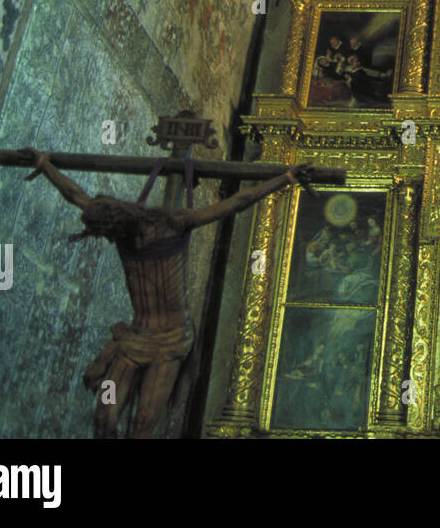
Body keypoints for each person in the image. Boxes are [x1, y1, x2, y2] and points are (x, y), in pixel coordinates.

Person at [18, 148, 309, 437]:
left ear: (121, 223)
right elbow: (74, 194)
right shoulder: (116, 225)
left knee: (144, 421)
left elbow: (237, 201)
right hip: (133, 341)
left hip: (170, 343)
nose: (109, 240)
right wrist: (45, 165)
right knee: (104, 414)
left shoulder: (175, 223)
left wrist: (285, 177)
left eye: (108, 234)